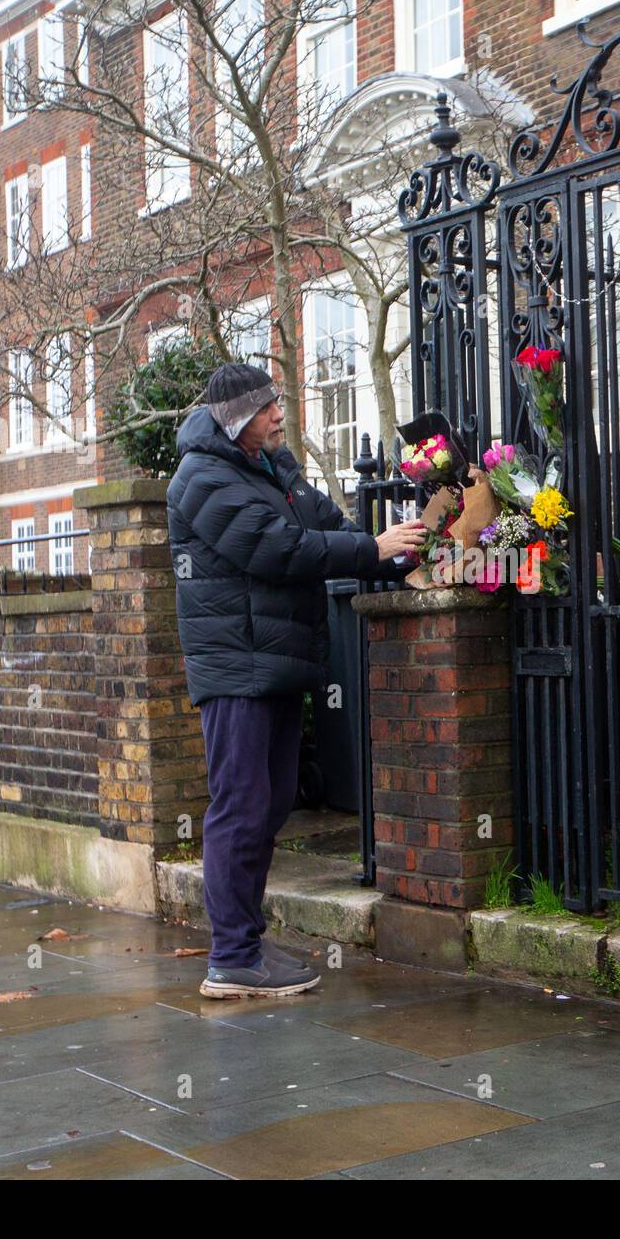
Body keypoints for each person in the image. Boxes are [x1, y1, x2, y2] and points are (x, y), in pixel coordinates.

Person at [166, 362, 425, 998]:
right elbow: (278, 548)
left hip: (276, 664)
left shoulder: (272, 469)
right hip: (235, 669)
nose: (280, 414)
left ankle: (246, 944)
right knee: (240, 805)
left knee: (274, 800)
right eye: (265, 408)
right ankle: (231, 955)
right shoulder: (200, 478)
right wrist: (373, 550)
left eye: (277, 403)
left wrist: (403, 555)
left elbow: (329, 529)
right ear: (234, 420)